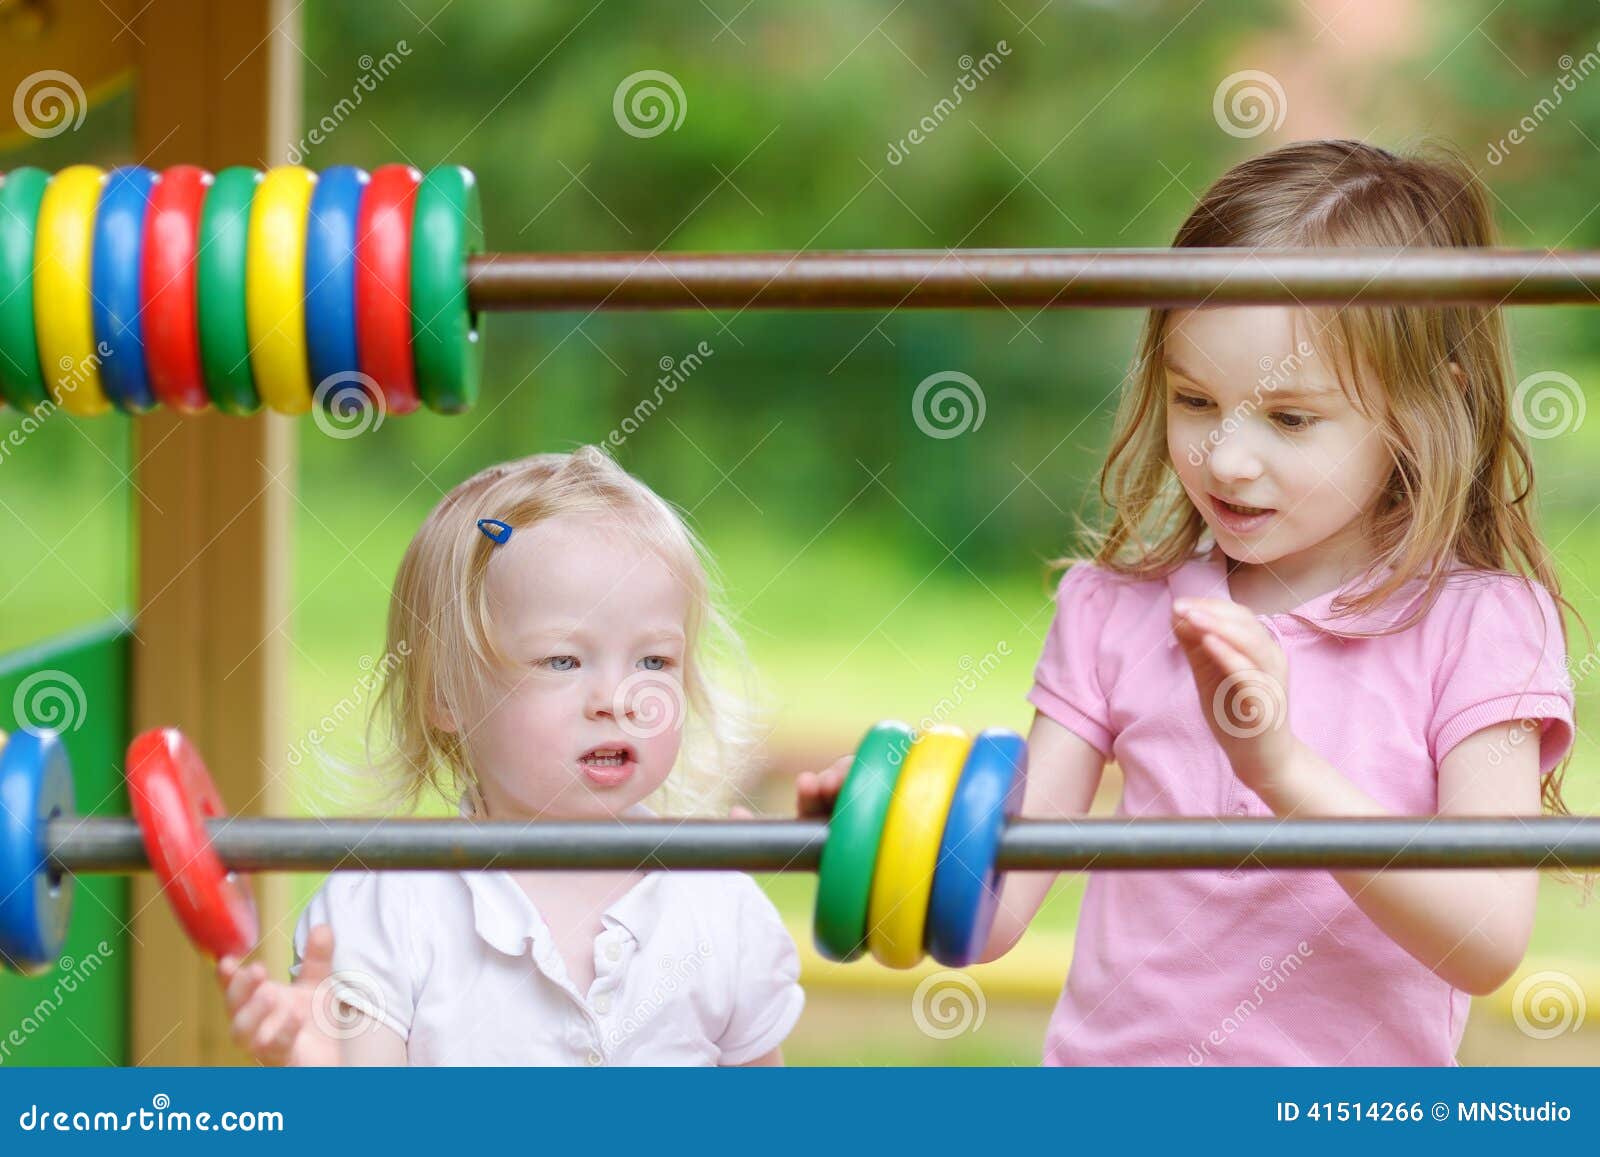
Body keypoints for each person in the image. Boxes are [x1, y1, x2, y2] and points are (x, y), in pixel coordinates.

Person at [801, 138, 1588, 1065]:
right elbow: (999, 911)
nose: (1227, 457)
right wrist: (886, 837)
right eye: (1194, 399)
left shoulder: (1479, 626)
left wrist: (1283, 774)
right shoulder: (1113, 612)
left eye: (1290, 418)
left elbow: (1486, 940)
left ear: (1426, 408)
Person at [220, 446, 809, 1065]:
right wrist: (321, 1068)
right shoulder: (387, 909)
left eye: (654, 661)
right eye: (562, 660)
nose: (618, 699)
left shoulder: (720, 903)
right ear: (447, 695)